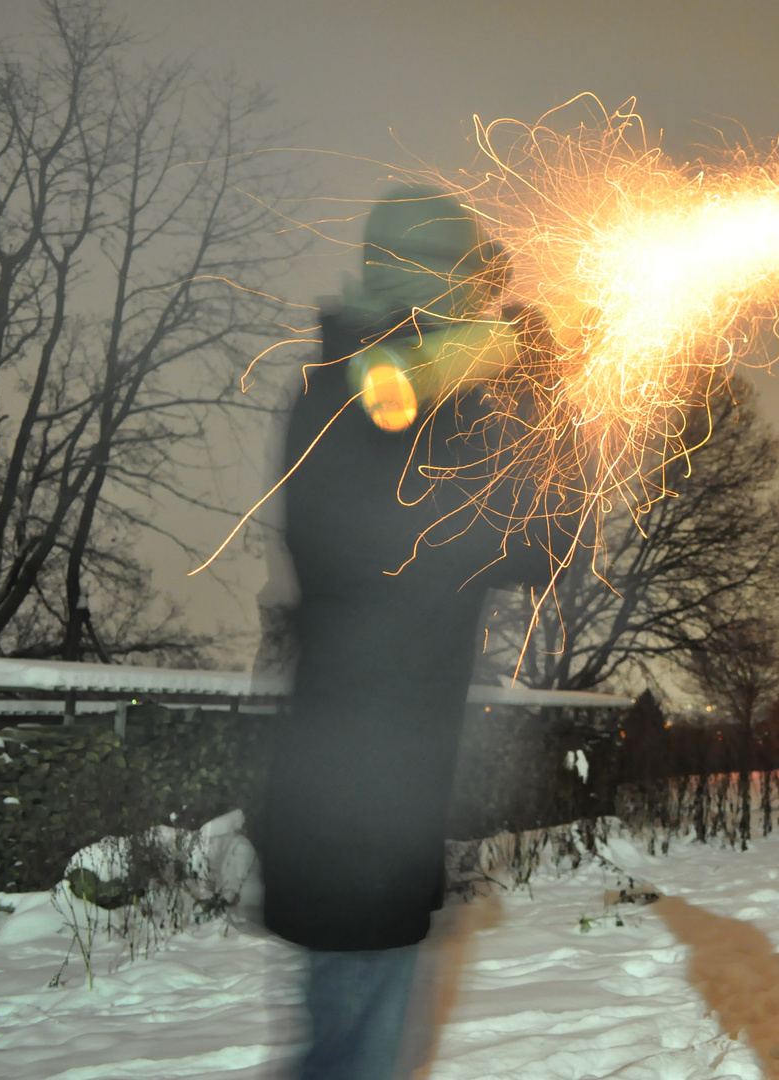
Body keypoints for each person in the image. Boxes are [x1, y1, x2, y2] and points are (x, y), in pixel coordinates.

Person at [253, 184, 548, 1080]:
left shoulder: (398, 405)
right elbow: (469, 537)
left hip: (373, 822)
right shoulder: (347, 409)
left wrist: (532, 393)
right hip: (351, 830)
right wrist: (520, 391)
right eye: (470, 282)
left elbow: (542, 550)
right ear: (436, 286)